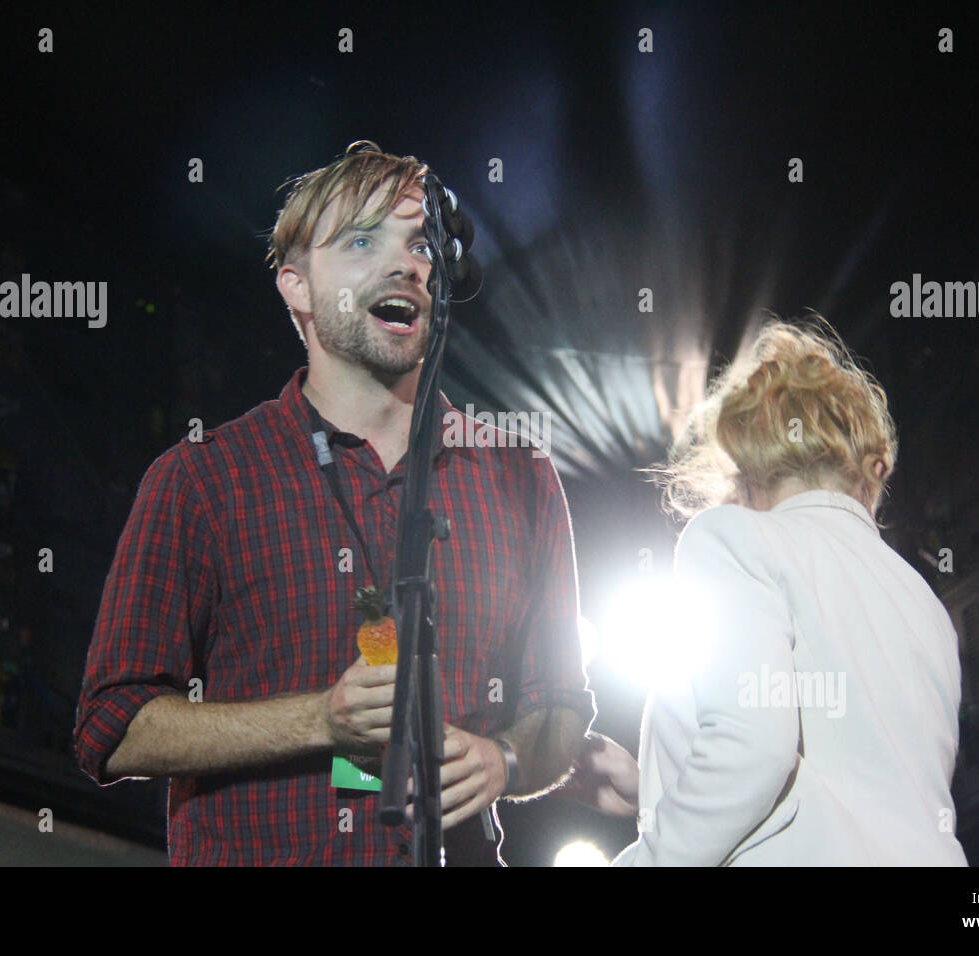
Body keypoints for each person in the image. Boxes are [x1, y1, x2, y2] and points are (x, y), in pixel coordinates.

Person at [73, 141, 595, 866]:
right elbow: (111, 727)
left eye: (421, 244)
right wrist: (317, 720)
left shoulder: (520, 475)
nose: (405, 264)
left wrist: (506, 757)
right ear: (297, 287)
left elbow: (563, 706)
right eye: (361, 240)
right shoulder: (203, 478)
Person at [603, 316, 967, 865]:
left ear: (747, 464)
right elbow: (859, 787)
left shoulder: (735, 536)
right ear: (868, 467)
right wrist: (650, 787)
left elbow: (755, 749)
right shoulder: (925, 602)